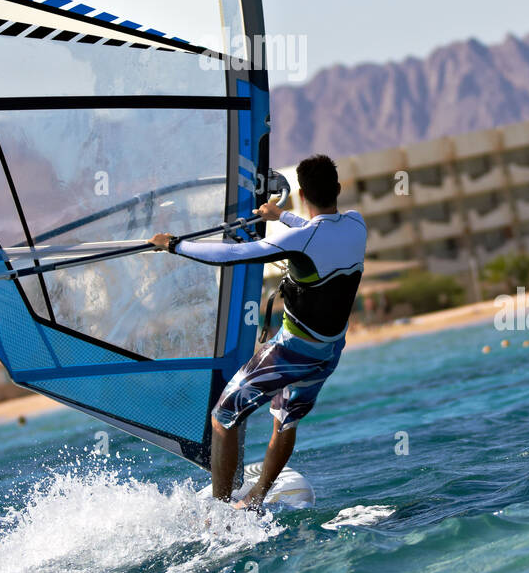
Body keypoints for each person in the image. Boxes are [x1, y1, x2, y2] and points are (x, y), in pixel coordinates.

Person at [151, 154, 367, 509]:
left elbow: (231, 256)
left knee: (223, 416)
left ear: (300, 192)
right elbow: (322, 231)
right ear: (338, 189)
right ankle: (256, 497)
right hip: (329, 352)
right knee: (285, 419)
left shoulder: (300, 241)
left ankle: (222, 512)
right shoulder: (357, 225)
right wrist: (280, 216)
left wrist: (175, 245)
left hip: (294, 350)